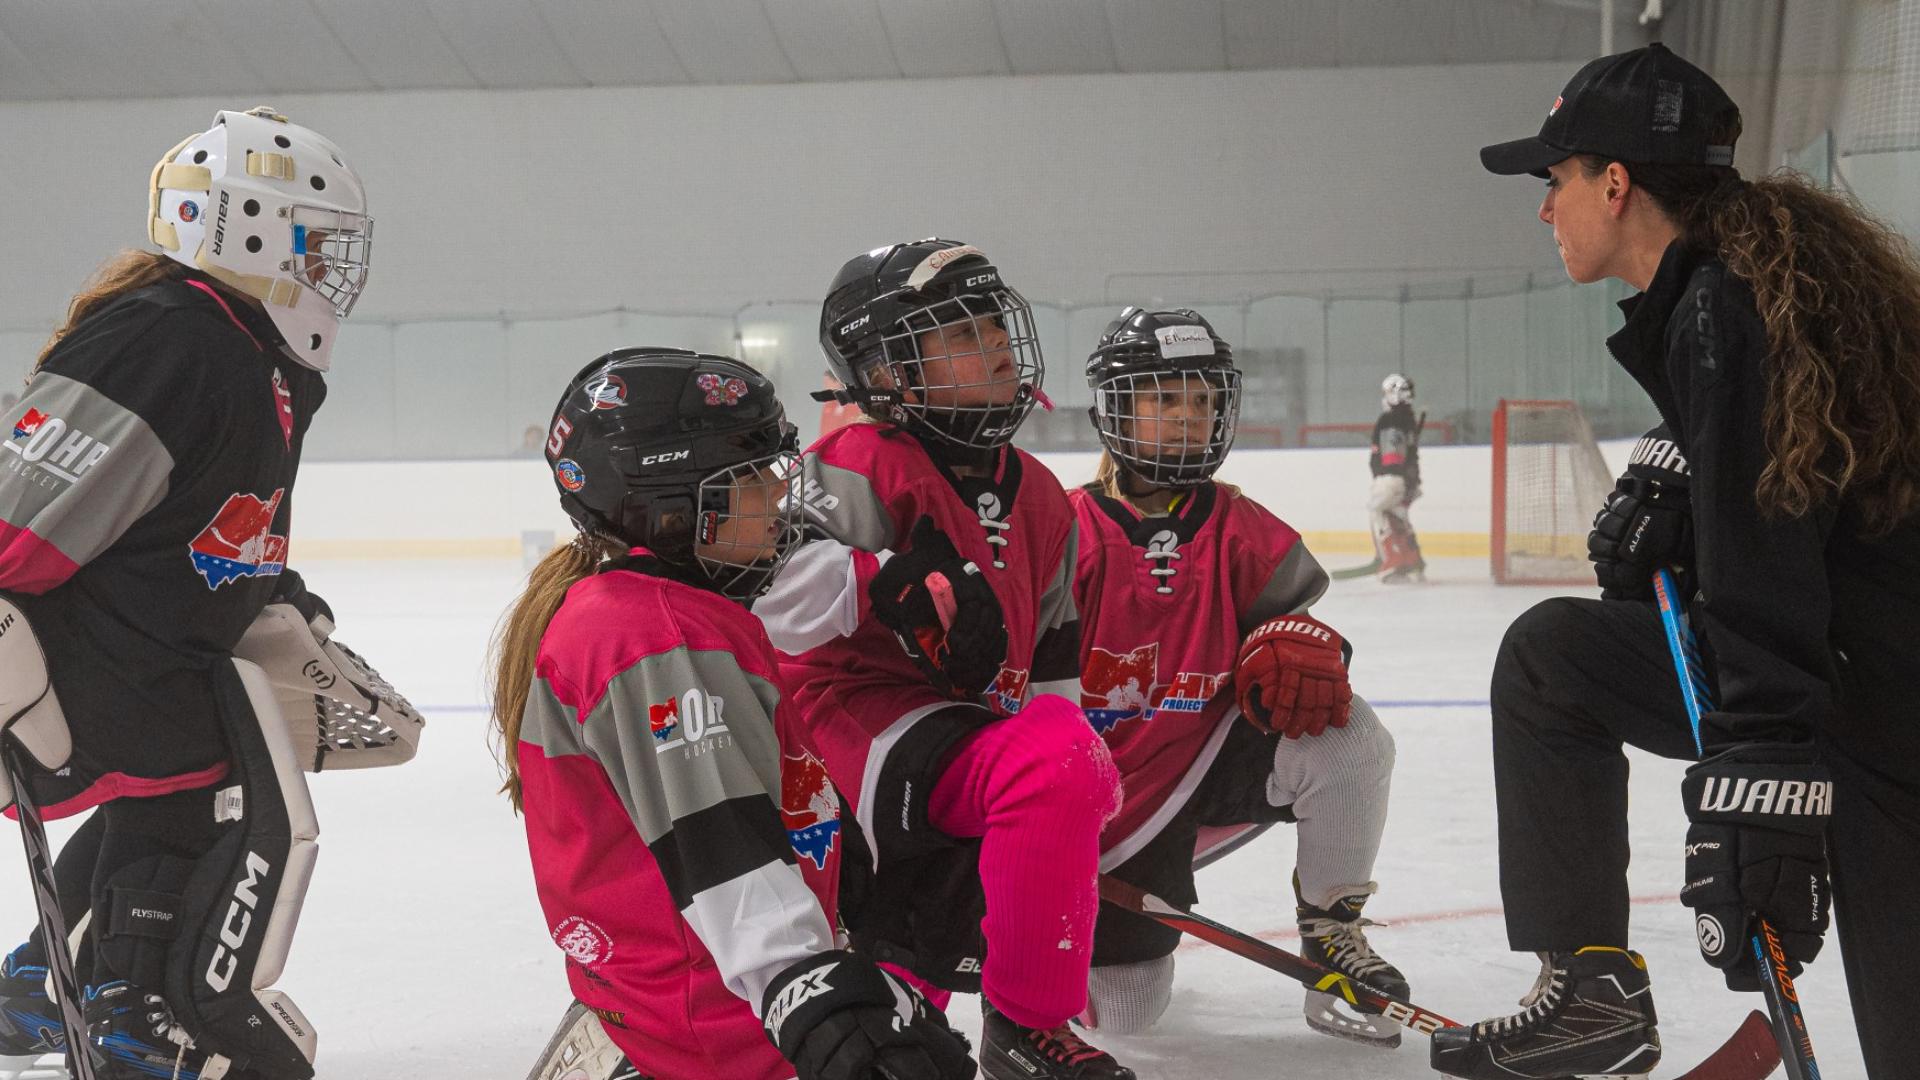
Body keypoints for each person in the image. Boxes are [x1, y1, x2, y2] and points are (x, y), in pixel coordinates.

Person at [1433, 42, 1920, 1080]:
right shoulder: (1743, 286)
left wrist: (1762, 771)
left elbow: (1767, 556)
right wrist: (1679, 464)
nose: (1544, 207)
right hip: (1856, 672)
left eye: (1554, 179)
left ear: (1615, 183)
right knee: (1555, 657)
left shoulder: (1719, 310)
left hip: (1879, 705)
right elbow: (1798, 482)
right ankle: (1592, 992)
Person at [0, 106, 372, 1079]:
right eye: (315, 242)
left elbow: (209, 523)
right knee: (223, 789)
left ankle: (46, 980)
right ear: (247, 228)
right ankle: (131, 1006)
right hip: (80, 679)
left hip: (147, 672)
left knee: (191, 770)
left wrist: (290, 606)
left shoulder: (249, 357)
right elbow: (15, 511)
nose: (333, 269)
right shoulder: (171, 340)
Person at [495, 348, 974, 1080]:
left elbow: (763, 802)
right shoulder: (650, 636)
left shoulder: (668, 612)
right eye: (751, 484)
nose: (779, 506)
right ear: (671, 502)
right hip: (709, 1043)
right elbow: (720, 850)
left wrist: (863, 916)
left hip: (697, 1018)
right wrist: (820, 1004)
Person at [755, 239, 1130, 1080]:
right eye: (960, 332)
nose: (995, 342)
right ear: (887, 371)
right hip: (851, 721)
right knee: (1053, 763)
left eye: (993, 321)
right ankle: (1028, 1023)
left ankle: (910, 993)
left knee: (1068, 763)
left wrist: (1073, 798)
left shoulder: (1040, 492)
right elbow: (765, 593)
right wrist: (877, 582)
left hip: (969, 741)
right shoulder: (854, 463)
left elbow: (1057, 656)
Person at [1068, 308, 1405, 1045]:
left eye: (1202, 400)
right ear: (1114, 409)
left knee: (1346, 738)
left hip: (1209, 769)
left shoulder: (1244, 529)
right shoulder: (1066, 534)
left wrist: (1305, 646)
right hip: (1099, 807)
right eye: (1165, 400)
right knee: (1125, 1017)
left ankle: (1333, 931)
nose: (1190, 419)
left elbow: (1301, 649)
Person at [1369, 375, 1425, 583]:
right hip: (1407, 479)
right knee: (1399, 516)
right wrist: (1411, 481)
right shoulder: (1407, 418)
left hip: (1392, 477)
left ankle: (1392, 564)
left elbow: (1393, 452)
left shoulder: (1391, 419)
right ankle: (1413, 561)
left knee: (1378, 512)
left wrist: (1392, 476)